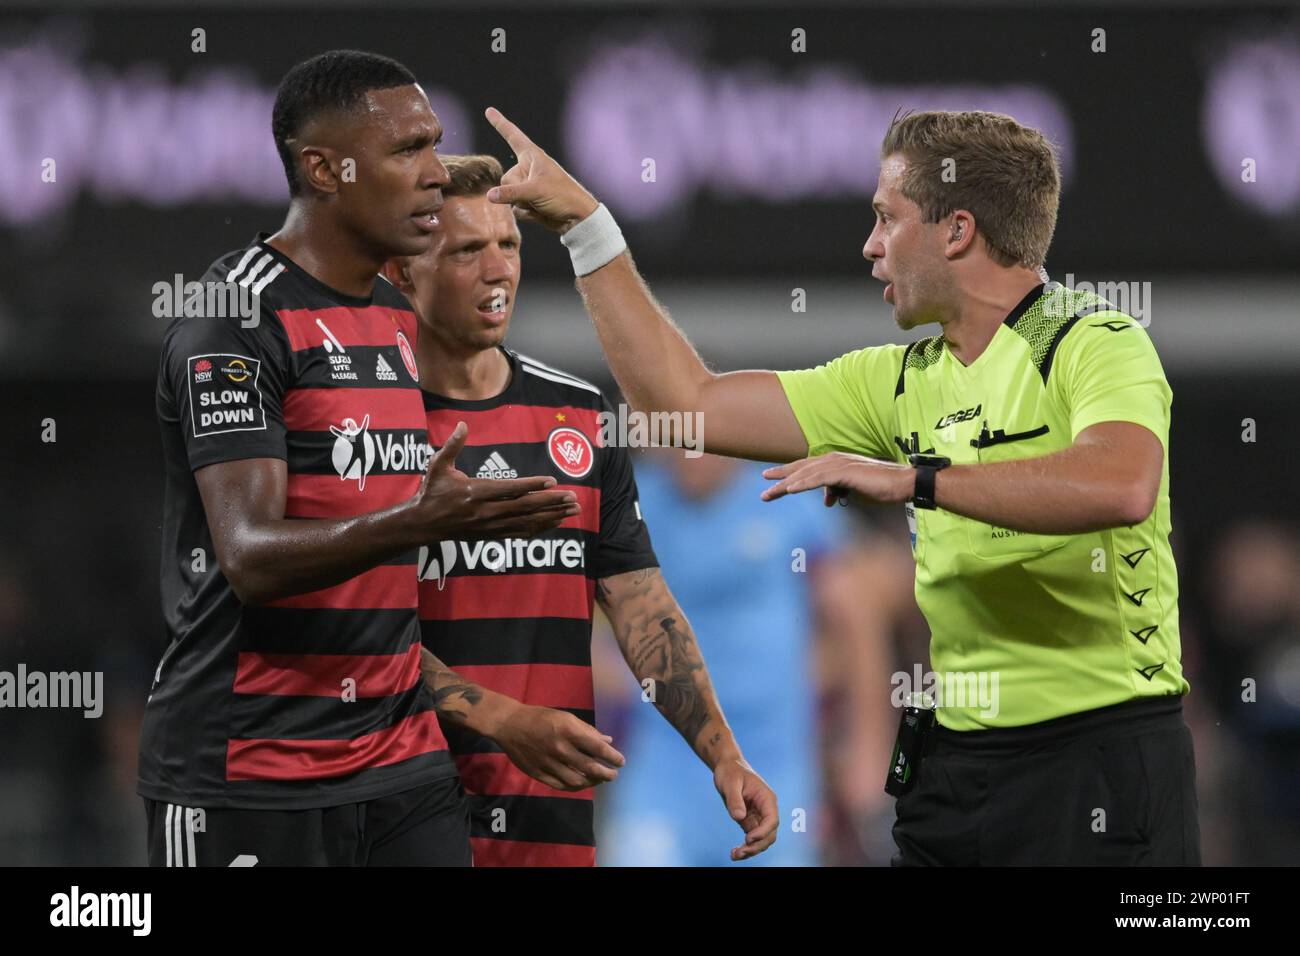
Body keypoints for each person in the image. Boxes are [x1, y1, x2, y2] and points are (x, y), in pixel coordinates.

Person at [481, 106, 1200, 866]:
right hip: (956, 769)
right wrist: (587, 227)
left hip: (1101, 761)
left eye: (887, 218)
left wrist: (915, 480)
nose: (870, 245)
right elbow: (682, 406)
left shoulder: (1095, 341)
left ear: (956, 231)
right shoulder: (897, 381)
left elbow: (1120, 483)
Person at [140, 50, 602, 867]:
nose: (434, 174)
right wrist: (419, 522)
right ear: (323, 168)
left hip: (401, 765)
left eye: (432, 144)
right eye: (407, 151)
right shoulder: (235, 319)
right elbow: (249, 555)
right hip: (250, 768)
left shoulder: (395, 313)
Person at [380, 154, 778, 865]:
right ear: (402, 271)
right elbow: (352, 638)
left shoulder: (579, 418)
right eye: (468, 250)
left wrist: (722, 754)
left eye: (509, 245)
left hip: (550, 827)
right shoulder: (371, 426)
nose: (498, 269)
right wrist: (502, 719)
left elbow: (640, 605)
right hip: (403, 821)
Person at [596, 452, 845, 867]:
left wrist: (861, 738)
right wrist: (625, 683)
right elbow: (566, 598)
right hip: (664, 763)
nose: (690, 456)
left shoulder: (784, 494)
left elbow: (852, 618)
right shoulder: (633, 499)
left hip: (774, 762)